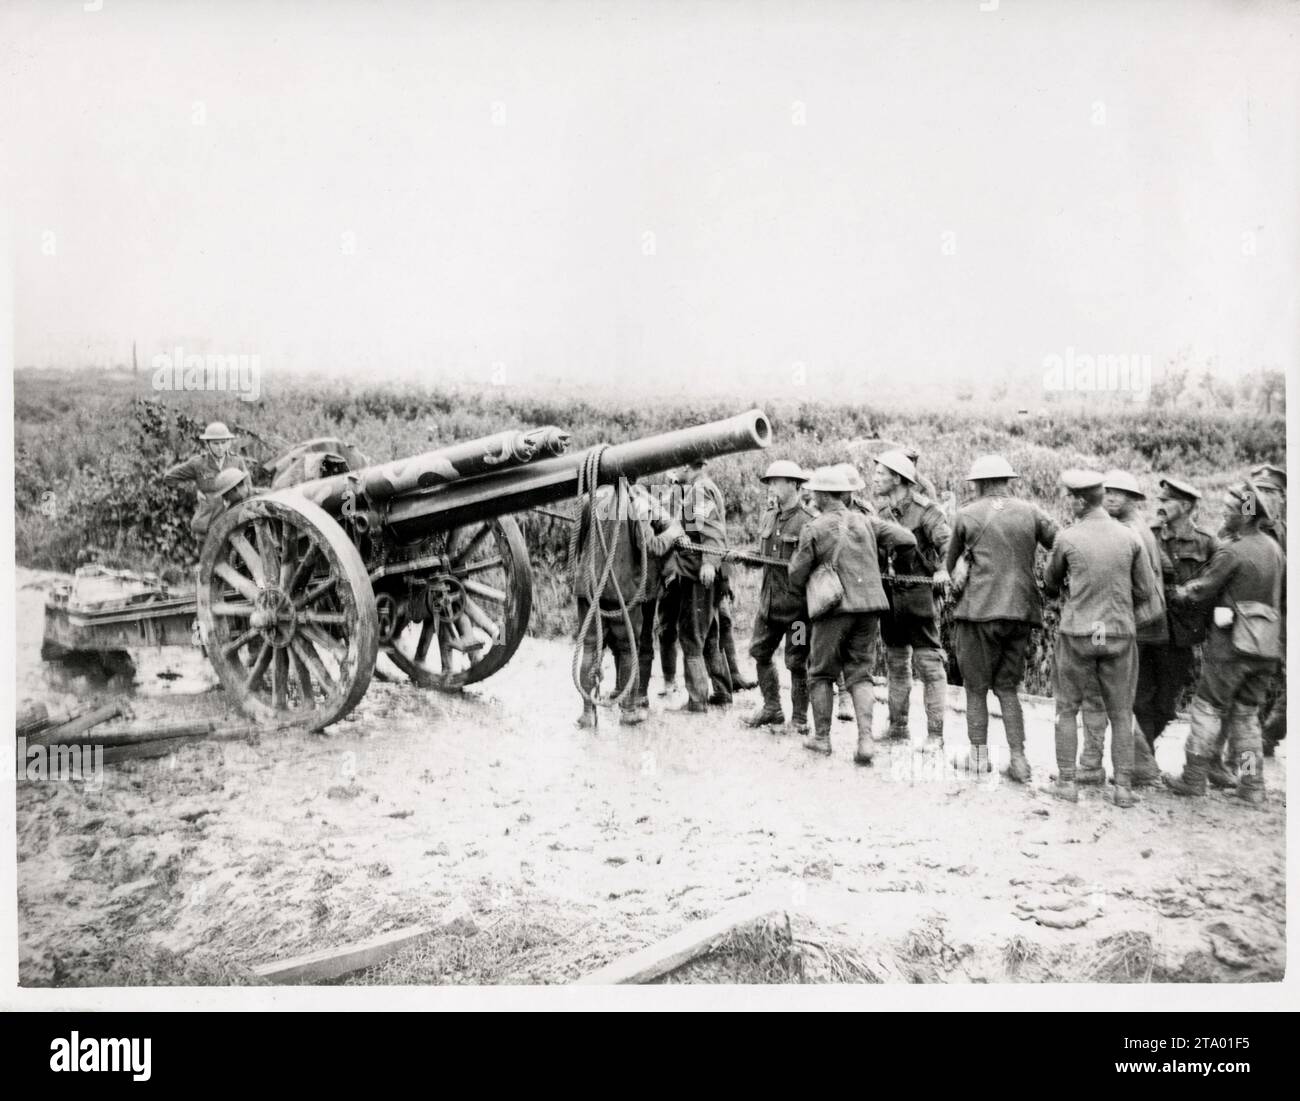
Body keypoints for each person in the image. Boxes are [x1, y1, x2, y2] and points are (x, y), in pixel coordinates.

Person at [1164, 482, 1285, 805]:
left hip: (1231, 647)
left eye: (1231, 508)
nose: (1225, 512)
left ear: (1247, 513)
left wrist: (1176, 593)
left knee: (1207, 709)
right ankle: (1251, 784)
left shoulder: (1233, 550)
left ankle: (1193, 779)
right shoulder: (1275, 550)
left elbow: (1202, 589)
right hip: (1266, 649)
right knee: (1247, 717)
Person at [1043, 470, 1159, 807]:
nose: (1066, 501)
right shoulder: (1129, 537)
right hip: (1118, 632)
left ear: (1080, 501)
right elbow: (1145, 590)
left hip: (1079, 632)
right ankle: (1122, 789)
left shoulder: (1067, 538)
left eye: (1069, 496)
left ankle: (1068, 783)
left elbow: (1051, 583)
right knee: (1121, 712)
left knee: (1067, 709)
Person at [788, 466, 916, 762]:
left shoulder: (814, 528)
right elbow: (907, 539)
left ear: (821, 495)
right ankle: (866, 742)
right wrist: (887, 564)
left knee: (820, 672)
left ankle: (821, 739)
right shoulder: (866, 521)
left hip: (834, 610)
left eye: (815, 493)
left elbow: (796, 575)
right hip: (870, 608)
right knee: (861, 673)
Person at [945, 454, 1057, 779]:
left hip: (978, 612)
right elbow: (1063, 545)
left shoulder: (966, 515)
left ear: (978, 484)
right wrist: (1045, 580)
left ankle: (979, 757)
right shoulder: (1032, 512)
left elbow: (949, 565)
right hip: (1021, 612)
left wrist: (957, 572)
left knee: (976, 688)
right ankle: (1019, 760)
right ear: (1008, 481)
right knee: (1008, 688)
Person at [1071, 470, 1167, 786]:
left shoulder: (1129, 531)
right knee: (1115, 698)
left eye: (1119, 493)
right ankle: (1132, 766)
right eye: (1107, 492)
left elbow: (1138, 586)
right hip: (1133, 622)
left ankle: (1127, 767)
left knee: (1107, 697)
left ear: (1133, 499)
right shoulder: (1134, 528)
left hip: (1125, 623)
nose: (1111, 497)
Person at [574, 480, 683, 728]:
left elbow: (580, 541)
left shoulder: (591, 498)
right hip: (623, 591)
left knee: (591, 648)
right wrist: (674, 531)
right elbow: (650, 546)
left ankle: (588, 712)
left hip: (590, 587)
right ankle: (629, 709)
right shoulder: (638, 502)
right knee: (627, 649)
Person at [873, 449, 951, 751]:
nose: (875, 479)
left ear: (897, 479)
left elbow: (949, 546)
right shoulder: (879, 515)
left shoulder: (926, 511)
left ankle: (935, 735)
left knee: (929, 665)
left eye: (881, 474)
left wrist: (944, 571)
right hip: (890, 599)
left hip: (920, 598)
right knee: (895, 663)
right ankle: (898, 727)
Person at [745, 460, 814, 733]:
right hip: (769, 607)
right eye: (770, 482)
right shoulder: (769, 517)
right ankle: (772, 708)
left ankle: (799, 719)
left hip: (797, 613)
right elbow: (761, 556)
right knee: (760, 652)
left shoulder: (808, 522)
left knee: (797, 662)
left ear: (794, 484)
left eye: (777, 481)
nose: (772, 487)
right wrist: (744, 558)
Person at [671, 458, 728, 714]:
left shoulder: (698, 490)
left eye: (676, 466)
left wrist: (708, 562)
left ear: (686, 466)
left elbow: (712, 531)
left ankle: (697, 699)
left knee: (691, 636)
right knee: (710, 634)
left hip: (697, 574)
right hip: (706, 572)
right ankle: (723, 691)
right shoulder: (705, 486)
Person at [162, 421, 252, 538]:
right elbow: (169, 478)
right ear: (208, 444)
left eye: (223, 443)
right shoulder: (198, 463)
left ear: (228, 443)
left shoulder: (237, 461)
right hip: (207, 525)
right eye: (215, 443)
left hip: (232, 525)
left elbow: (249, 489)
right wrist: (195, 490)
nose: (220, 447)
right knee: (206, 555)